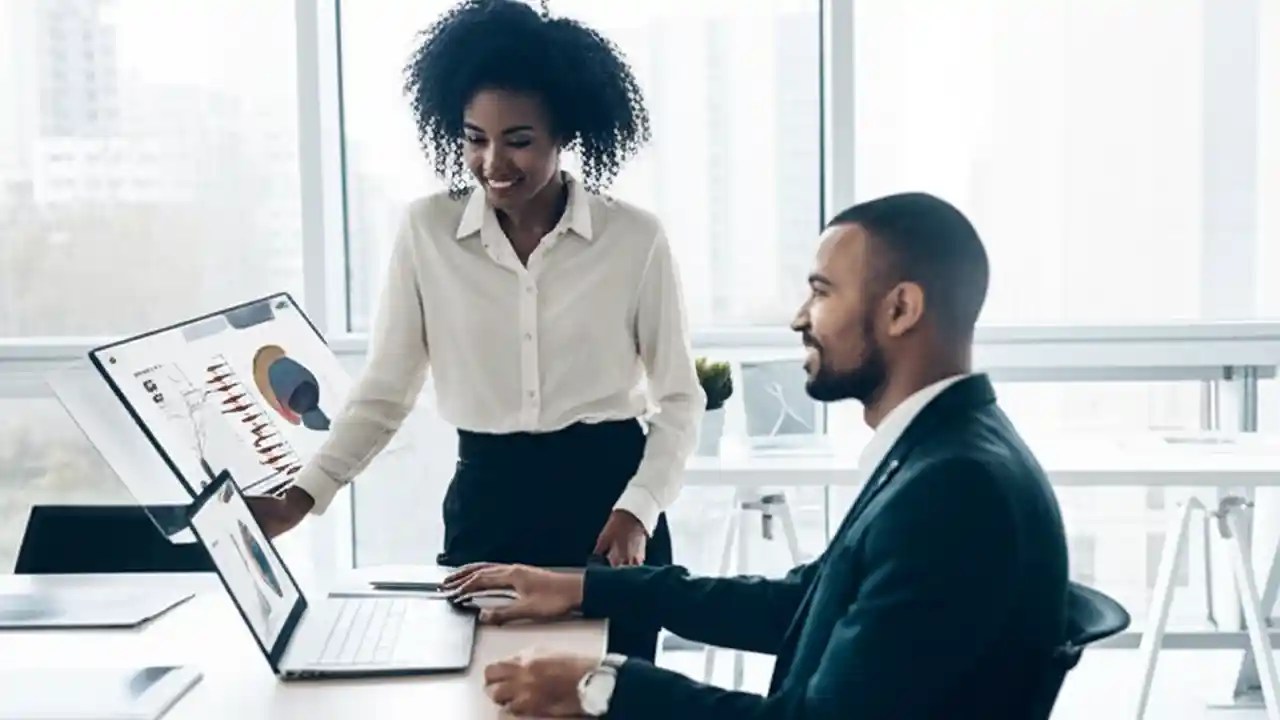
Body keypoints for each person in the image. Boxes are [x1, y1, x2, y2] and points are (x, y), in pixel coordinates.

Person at [445, 193, 1071, 719]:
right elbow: (798, 604)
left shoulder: (955, 490)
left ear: (900, 309)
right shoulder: (947, 450)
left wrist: (601, 684)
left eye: (822, 292)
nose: (801, 317)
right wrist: (584, 587)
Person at [246, 0, 703, 662]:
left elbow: (679, 399)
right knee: (481, 696)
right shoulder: (426, 232)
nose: (494, 161)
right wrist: (303, 496)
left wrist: (640, 507)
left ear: (563, 134)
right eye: (474, 138)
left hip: (609, 509)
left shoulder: (634, 239)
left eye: (519, 139)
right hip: (488, 503)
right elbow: (386, 389)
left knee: (613, 700)